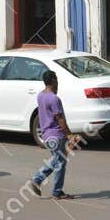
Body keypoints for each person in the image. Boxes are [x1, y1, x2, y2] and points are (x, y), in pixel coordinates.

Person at [29, 70, 77, 201]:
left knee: (58, 161)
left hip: (46, 134)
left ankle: (56, 191)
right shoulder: (54, 99)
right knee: (58, 160)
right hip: (56, 134)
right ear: (54, 80)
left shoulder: (40, 95)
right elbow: (60, 119)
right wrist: (70, 135)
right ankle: (38, 180)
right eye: (57, 79)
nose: (58, 82)